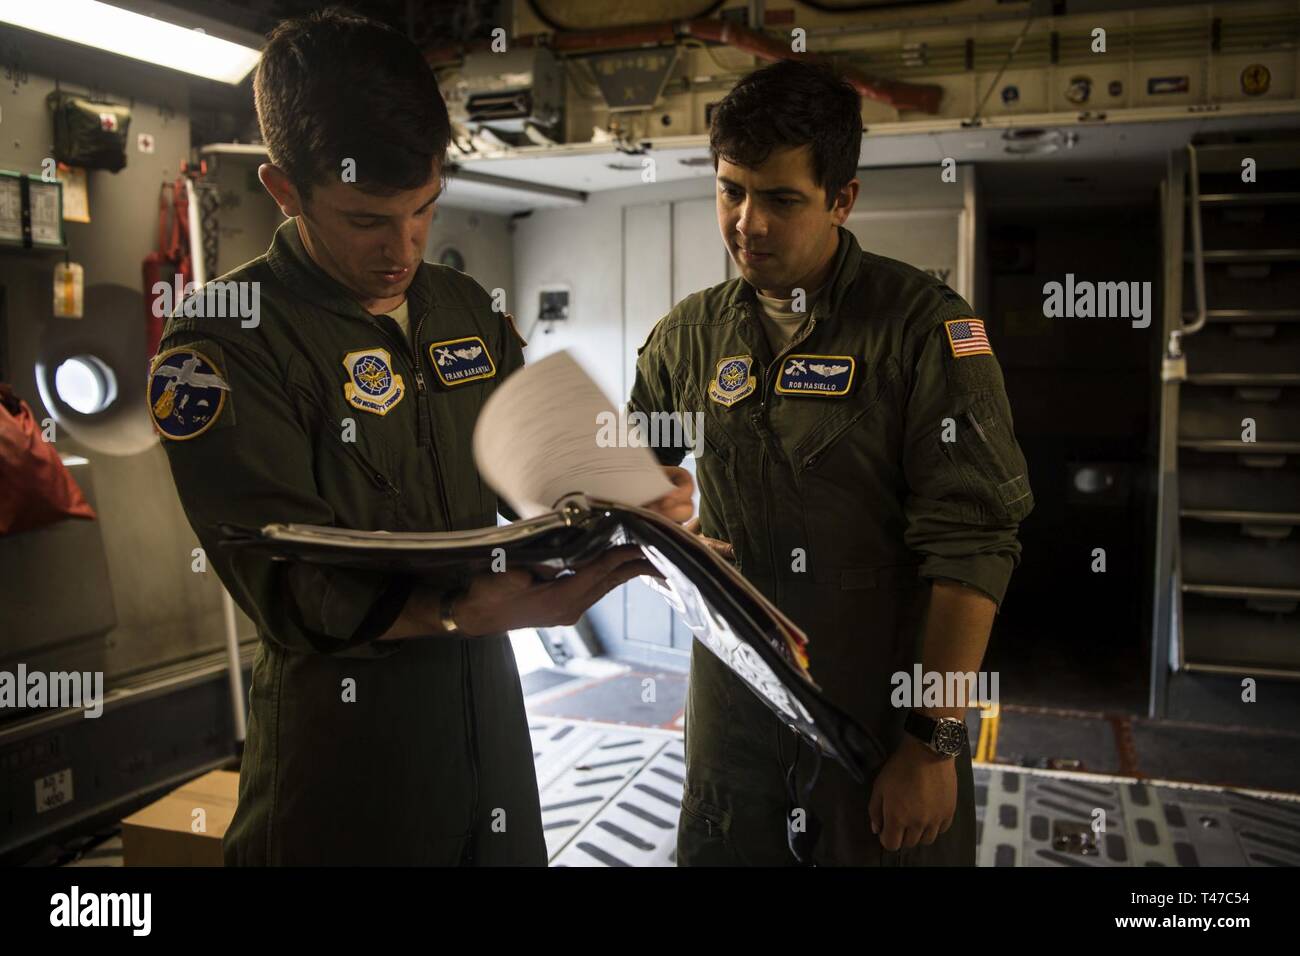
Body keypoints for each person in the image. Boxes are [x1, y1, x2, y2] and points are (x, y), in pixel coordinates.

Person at [151, 8, 693, 865]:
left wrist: (632, 497)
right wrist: (455, 611)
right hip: (349, 764)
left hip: (494, 745)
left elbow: (532, 469)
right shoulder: (222, 345)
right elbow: (287, 586)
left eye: (424, 210)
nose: (401, 248)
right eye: (366, 219)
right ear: (284, 190)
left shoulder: (463, 309)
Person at [628, 60, 1034, 865]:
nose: (747, 223)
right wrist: (659, 524)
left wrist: (932, 744)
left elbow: (973, 548)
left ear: (842, 199)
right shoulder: (689, 337)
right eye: (730, 191)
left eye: (781, 200)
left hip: (875, 712)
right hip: (734, 713)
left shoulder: (923, 331)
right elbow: (635, 480)